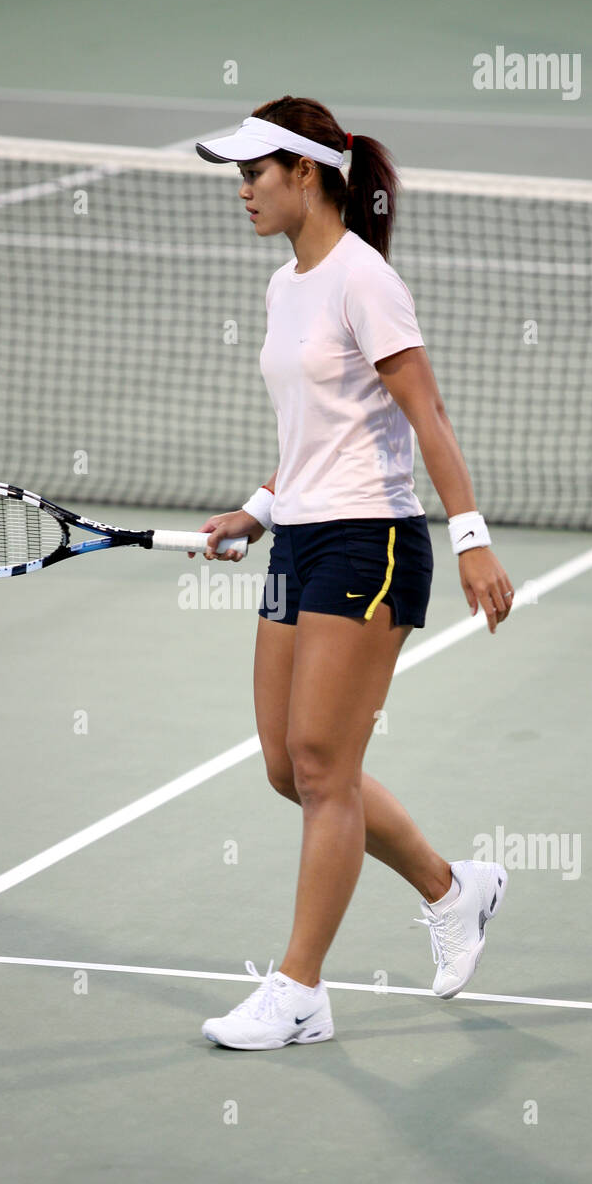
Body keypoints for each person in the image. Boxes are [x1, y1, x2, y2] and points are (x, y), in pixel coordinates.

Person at [193, 97, 513, 1050]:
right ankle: (456, 888)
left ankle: (300, 991)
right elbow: (310, 434)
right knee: (289, 769)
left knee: (328, 767)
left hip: (370, 543)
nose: (242, 189)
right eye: (238, 174)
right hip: (300, 539)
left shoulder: (363, 281)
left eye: (255, 172)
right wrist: (261, 503)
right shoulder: (283, 286)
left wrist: (472, 538)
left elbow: (429, 418)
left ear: (307, 173)